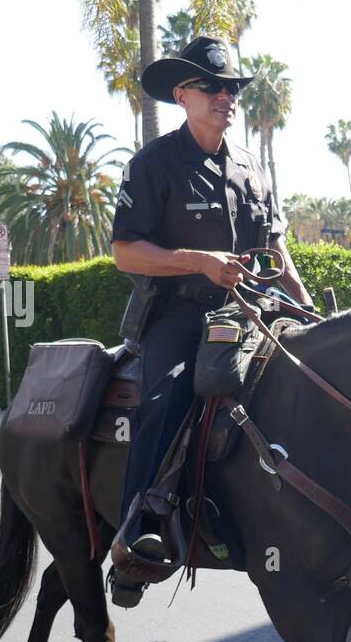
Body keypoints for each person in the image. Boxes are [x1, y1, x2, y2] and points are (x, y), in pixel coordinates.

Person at [109, 35, 311, 605]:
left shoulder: (252, 165)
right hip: (179, 316)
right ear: (182, 95)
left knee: (314, 378)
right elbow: (125, 252)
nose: (226, 96)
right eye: (212, 87)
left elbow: (274, 246)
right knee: (169, 396)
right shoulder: (152, 165)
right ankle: (140, 529)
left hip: (252, 312)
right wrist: (197, 261)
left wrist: (303, 300)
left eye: (231, 88)